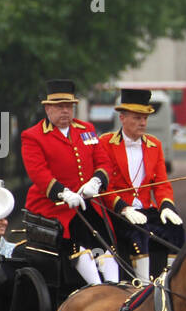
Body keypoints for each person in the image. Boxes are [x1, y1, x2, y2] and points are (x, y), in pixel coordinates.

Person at [21, 79, 118, 287]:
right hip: (53, 207)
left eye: (69, 106)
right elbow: (39, 174)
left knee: (104, 241)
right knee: (80, 240)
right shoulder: (33, 136)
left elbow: (103, 162)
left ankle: (114, 287)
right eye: (59, 106)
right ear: (47, 108)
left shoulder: (86, 129)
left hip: (87, 202)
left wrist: (95, 181)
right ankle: (97, 288)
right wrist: (64, 194)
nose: (65, 111)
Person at [99, 88, 186, 282]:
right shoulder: (106, 143)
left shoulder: (154, 145)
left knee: (176, 230)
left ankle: (170, 281)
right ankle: (143, 285)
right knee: (139, 232)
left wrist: (166, 206)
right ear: (122, 118)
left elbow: (162, 184)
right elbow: (105, 188)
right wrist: (123, 208)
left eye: (145, 118)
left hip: (146, 210)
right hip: (118, 213)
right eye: (138, 118)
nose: (143, 123)